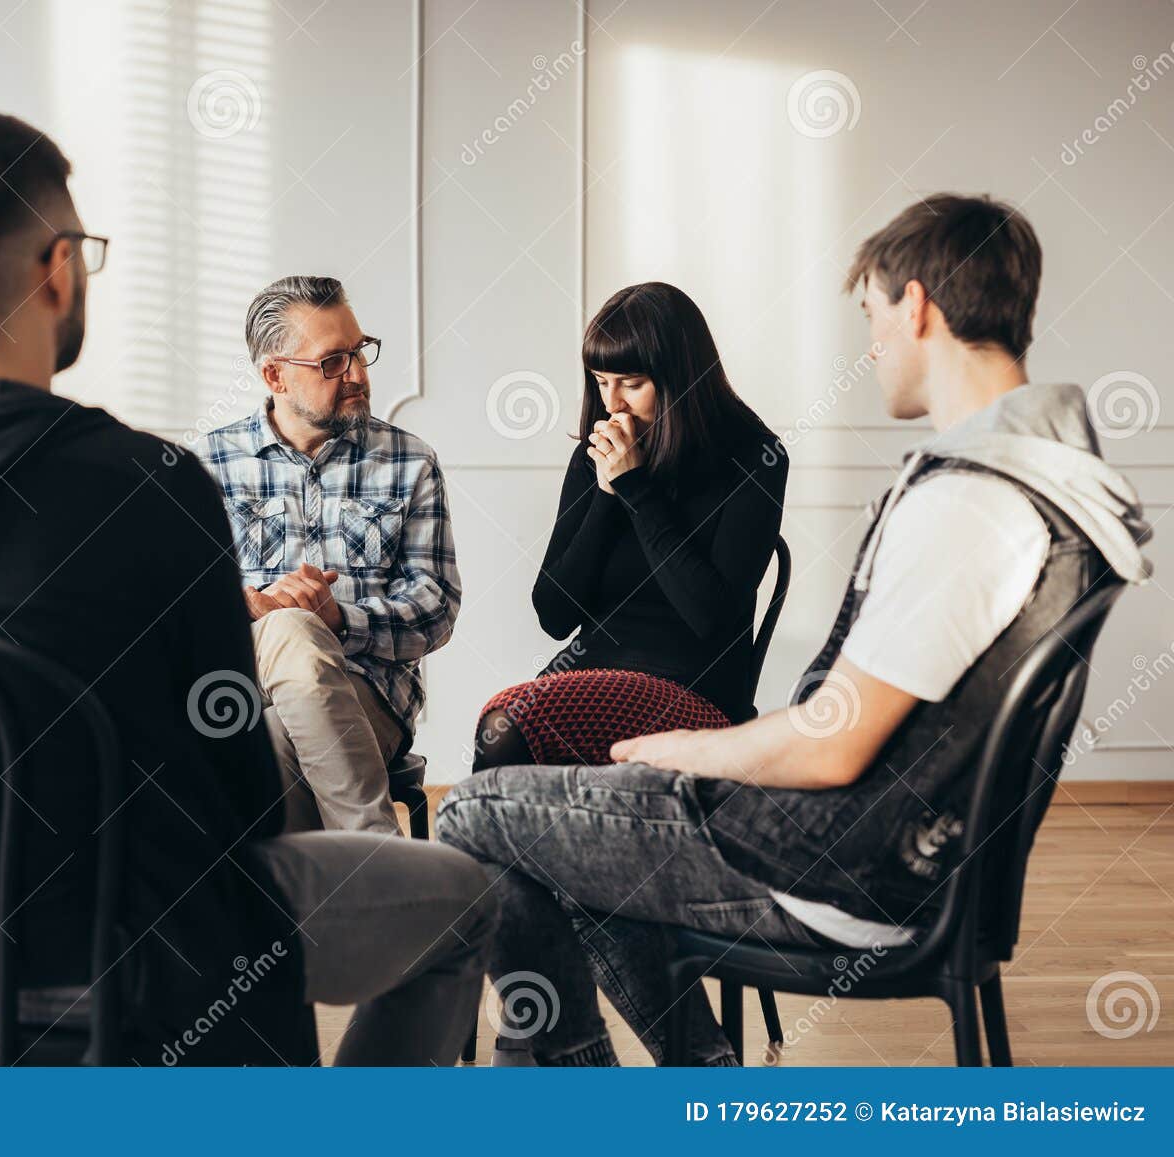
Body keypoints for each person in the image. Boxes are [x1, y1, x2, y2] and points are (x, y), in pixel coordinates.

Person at [0, 112, 495, 1066]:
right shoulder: (153, 484)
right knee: (467, 903)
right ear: (59, 267)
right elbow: (241, 793)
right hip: (162, 954)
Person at [438, 193, 1151, 1066]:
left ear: (916, 305)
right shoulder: (1046, 485)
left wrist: (682, 752)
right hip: (881, 851)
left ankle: (597, 1099)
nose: (873, 345)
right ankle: (695, 1079)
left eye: (873, 315)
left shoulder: (970, 502)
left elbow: (831, 748)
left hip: (830, 864)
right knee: (545, 833)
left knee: (477, 812)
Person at [474, 282, 786, 775]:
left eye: (631, 383)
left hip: (693, 691)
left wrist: (638, 489)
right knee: (504, 730)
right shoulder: (595, 458)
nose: (612, 404)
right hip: (591, 672)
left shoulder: (755, 458)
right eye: (600, 381)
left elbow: (711, 617)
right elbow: (554, 615)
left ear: (681, 376)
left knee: (510, 727)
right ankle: (516, 852)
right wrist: (606, 494)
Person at [195, 276, 461, 835]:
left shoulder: (409, 462)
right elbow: (173, 608)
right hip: (244, 683)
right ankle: (382, 874)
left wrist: (338, 619)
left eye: (361, 352)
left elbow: (435, 608)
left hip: (371, 688)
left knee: (273, 747)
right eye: (333, 361)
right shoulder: (209, 464)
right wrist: (253, 605)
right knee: (288, 629)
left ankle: (280, 917)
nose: (359, 375)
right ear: (274, 374)